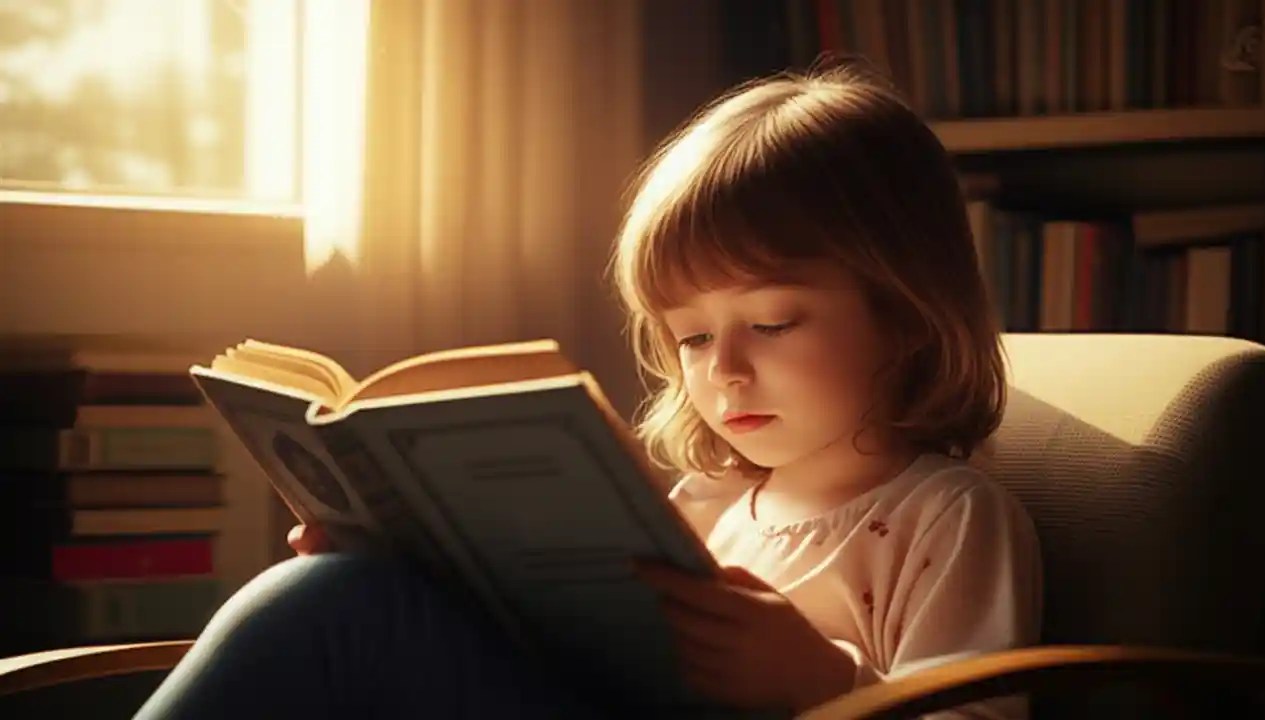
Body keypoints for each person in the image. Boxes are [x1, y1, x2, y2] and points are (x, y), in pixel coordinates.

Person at [134, 61, 1042, 719]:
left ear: (909, 313)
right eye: (690, 337)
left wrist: (826, 684)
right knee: (337, 589)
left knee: (336, 614)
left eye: (771, 323)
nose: (723, 369)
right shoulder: (702, 504)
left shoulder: (943, 517)